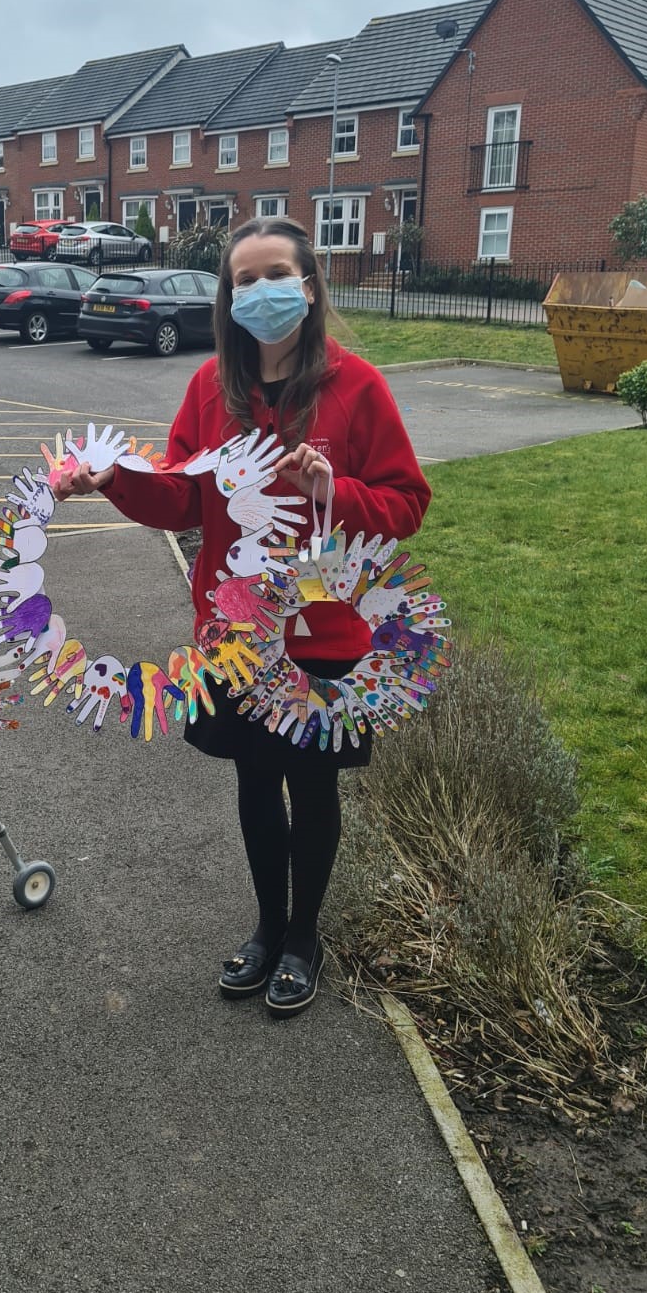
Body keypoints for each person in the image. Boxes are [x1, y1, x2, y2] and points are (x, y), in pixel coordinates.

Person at [56, 217, 431, 1016]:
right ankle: (266, 929)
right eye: (244, 280)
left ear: (310, 287)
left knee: (312, 786)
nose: (260, 292)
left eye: (276, 275)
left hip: (324, 634)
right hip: (235, 634)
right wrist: (115, 479)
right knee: (256, 780)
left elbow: (405, 505)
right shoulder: (210, 388)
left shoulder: (357, 387)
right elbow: (180, 496)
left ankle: (304, 938)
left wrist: (333, 490)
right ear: (228, 297)